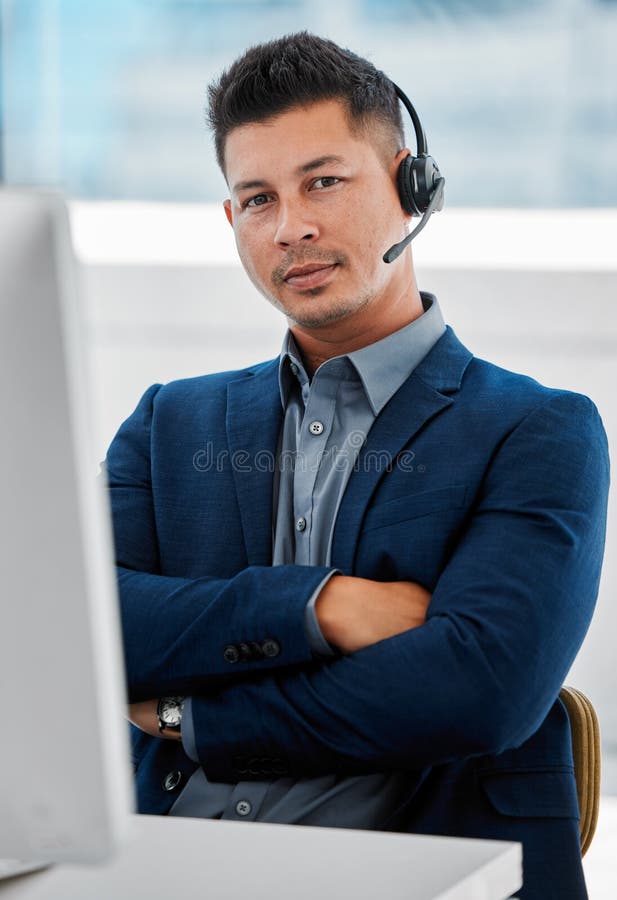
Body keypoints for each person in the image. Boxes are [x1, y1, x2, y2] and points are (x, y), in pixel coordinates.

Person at [106, 32, 609, 900]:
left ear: (410, 185)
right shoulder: (167, 422)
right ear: (233, 223)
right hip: (160, 870)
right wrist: (317, 607)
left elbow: (476, 691)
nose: (291, 226)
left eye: (323, 182)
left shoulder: (538, 431)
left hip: (430, 875)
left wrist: (194, 717)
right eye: (256, 199)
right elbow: (79, 628)